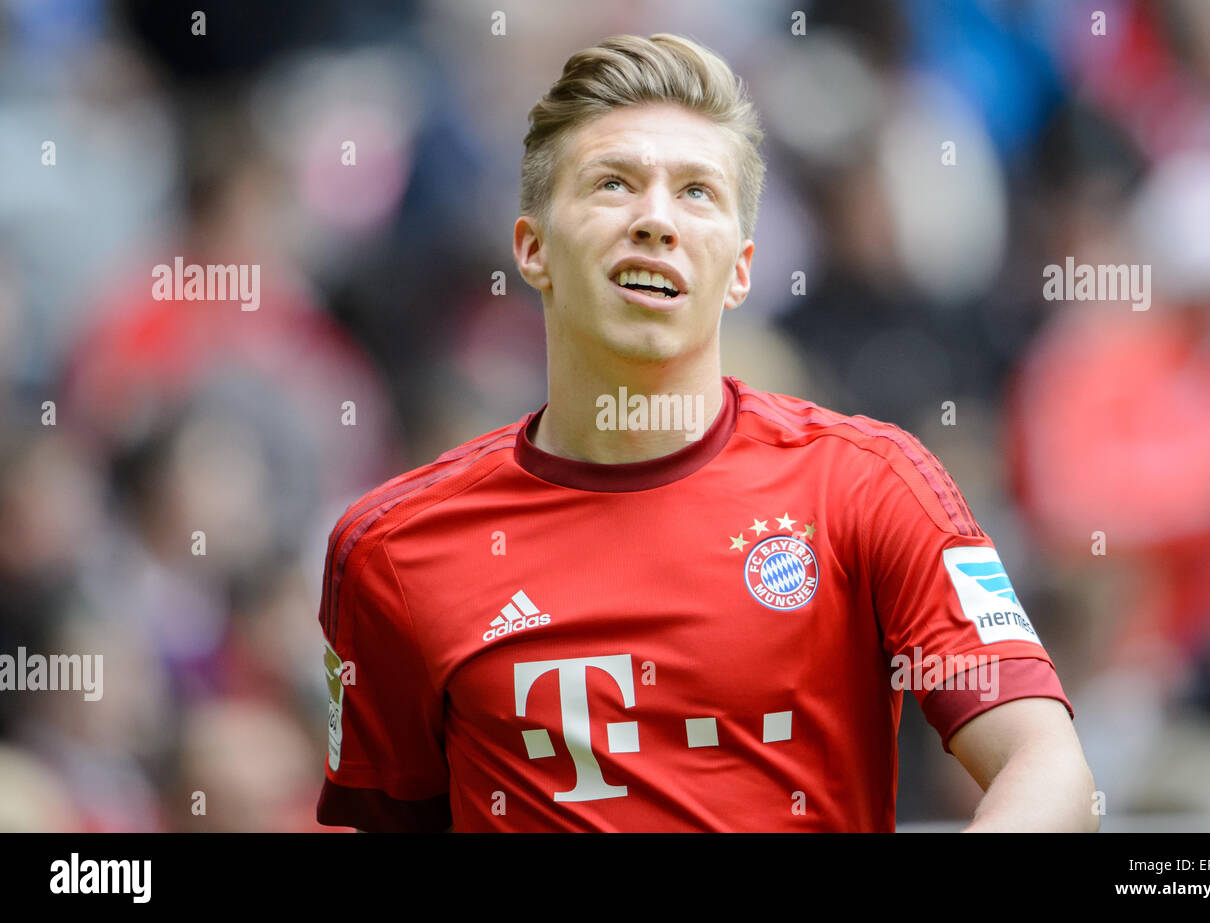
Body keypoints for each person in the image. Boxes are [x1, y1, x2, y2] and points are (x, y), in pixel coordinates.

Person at [315, 33, 1096, 832]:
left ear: (743, 266)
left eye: (696, 192)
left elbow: (1048, 767)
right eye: (614, 183)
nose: (657, 219)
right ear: (533, 248)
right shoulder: (393, 552)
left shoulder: (869, 486)